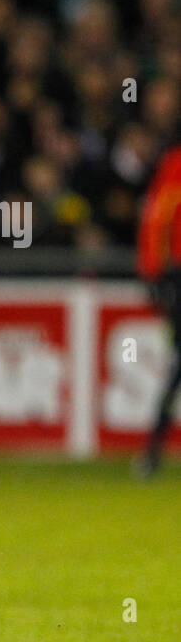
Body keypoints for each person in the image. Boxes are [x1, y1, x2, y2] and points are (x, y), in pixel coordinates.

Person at [135, 142, 181, 477]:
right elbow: (158, 217)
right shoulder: (176, 164)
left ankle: (153, 449)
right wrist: (154, 272)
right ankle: (152, 448)